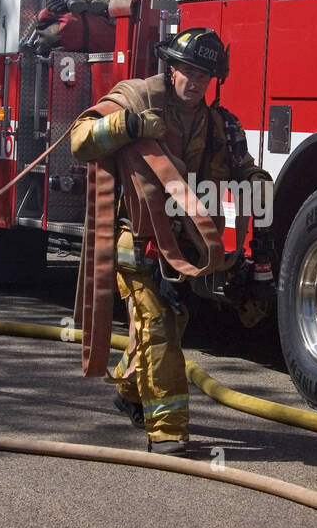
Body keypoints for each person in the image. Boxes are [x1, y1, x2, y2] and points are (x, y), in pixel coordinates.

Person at [71, 28, 272, 455]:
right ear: (172, 66)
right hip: (138, 243)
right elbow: (79, 140)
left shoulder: (222, 126)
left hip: (187, 251)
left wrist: (258, 183)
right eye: (189, 71)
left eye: (205, 75)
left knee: (167, 328)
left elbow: (242, 169)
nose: (196, 82)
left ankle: (129, 390)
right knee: (160, 328)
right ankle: (168, 431)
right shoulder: (136, 101)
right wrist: (125, 126)